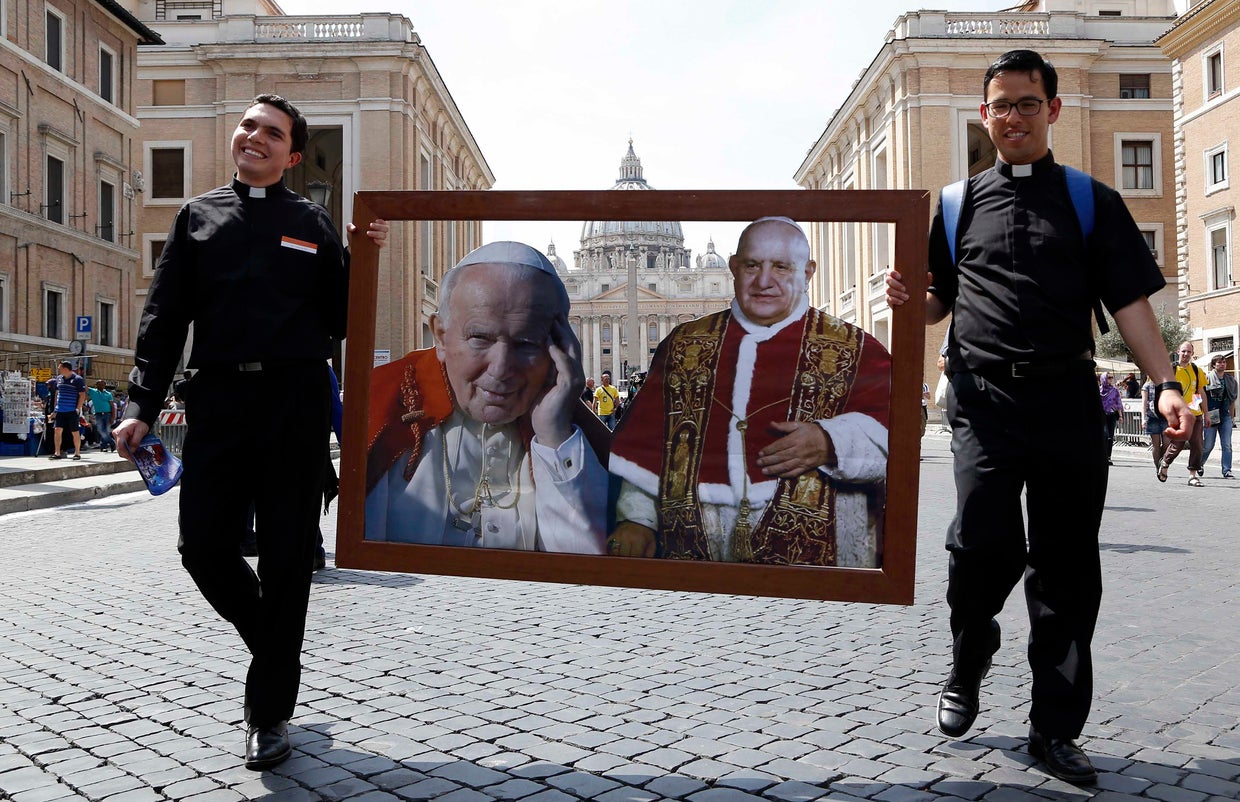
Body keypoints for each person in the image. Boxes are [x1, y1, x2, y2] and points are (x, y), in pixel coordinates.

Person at [885, 50, 1191, 785]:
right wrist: (907, 298)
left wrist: (1168, 383)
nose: (1013, 117)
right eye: (1001, 105)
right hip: (983, 404)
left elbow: (1130, 306)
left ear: (1052, 110)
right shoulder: (955, 207)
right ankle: (969, 656)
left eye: (1027, 103)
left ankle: (1054, 729)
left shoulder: (1092, 202)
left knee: (1066, 573)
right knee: (978, 547)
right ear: (984, 115)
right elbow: (936, 302)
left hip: (1066, 404)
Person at [112, 94, 388, 772]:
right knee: (202, 545)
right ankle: (276, 646)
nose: (254, 137)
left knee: (290, 558)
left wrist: (361, 258)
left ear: (292, 155)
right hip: (220, 398)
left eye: (271, 132)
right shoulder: (196, 217)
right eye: (248, 126)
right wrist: (141, 403)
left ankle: (269, 715)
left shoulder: (311, 221)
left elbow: (342, 318)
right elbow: (164, 318)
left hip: (293, 400)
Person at [609, 216, 890, 567]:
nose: (764, 281)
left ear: (807, 272)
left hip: (816, 558)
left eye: (782, 267)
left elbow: (898, 432)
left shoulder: (858, 348)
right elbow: (649, 444)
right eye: (752, 265)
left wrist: (831, 441)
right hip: (691, 553)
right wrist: (636, 518)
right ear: (733, 267)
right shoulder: (682, 344)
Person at [365, 241, 609, 554]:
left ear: (561, 349)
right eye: (480, 338)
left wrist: (555, 437)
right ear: (441, 336)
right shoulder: (386, 409)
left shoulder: (563, 428)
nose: (502, 369)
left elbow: (588, 568)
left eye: (526, 342)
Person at [1158, 341, 1209, 486]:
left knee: (1198, 445)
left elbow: (1201, 393)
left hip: (1196, 414)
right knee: (1178, 444)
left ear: (1192, 354)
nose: (1186, 354)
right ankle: (1166, 462)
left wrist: (1207, 414)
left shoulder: (1196, 370)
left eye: (1189, 352)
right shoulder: (1171, 370)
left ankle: (1192, 475)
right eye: (1184, 351)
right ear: (1178, 351)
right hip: (1178, 415)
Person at [1202, 354, 1236, 479]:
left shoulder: (1231, 380)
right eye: (1219, 362)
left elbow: (1232, 400)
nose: (1222, 364)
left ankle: (1227, 470)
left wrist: (1231, 417)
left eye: (1224, 362)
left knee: (1227, 444)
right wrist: (1204, 414)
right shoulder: (1207, 378)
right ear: (1213, 365)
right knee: (1208, 445)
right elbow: (1202, 397)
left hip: (1225, 415)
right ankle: (1199, 464)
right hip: (1211, 414)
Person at [49, 361, 86, 461]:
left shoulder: (77, 379)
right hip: (60, 410)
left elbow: (82, 395)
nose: (58, 370)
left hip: (72, 410)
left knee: (75, 432)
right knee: (57, 430)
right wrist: (54, 410)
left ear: (65, 368)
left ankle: (77, 453)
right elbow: (57, 394)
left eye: (60, 368)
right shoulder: (59, 379)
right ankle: (57, 452)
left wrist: (78, 408)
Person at [1142, 375, 1169, 474]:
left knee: (1167, 443)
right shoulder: (1147, 386)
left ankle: (1162, 461)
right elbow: (1144, 402)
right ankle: (1158, 467)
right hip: (1152, 417)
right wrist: (1143, 418)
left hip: (1165, 417)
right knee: (1156, 445)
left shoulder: (1165, 385)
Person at [1099, 373, 1123, 466]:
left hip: (1112, 414)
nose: (1111, 379)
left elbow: (1118, 403)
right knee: (1105, 434)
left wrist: (1120, 416)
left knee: (1110, 436)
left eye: (1111, 378)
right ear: (1104, 379)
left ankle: (1108, 457)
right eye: (1109, 378)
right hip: (1102, 415)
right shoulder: (1098, 390)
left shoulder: (1114, 390)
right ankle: (1102, 456)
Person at [87, 380, 117, 452]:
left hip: (107, 414)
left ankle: (103, 446)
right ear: (96, 385)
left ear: (104, 385)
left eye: (102, 385)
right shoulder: (92, 391)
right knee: (101, 430)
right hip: (98, 414)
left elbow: (112, 406)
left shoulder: (108, 394)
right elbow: (84, 387)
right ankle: (112, 443)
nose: (101, 386)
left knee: (106, 431)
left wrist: (113, 416)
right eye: (99, 385)